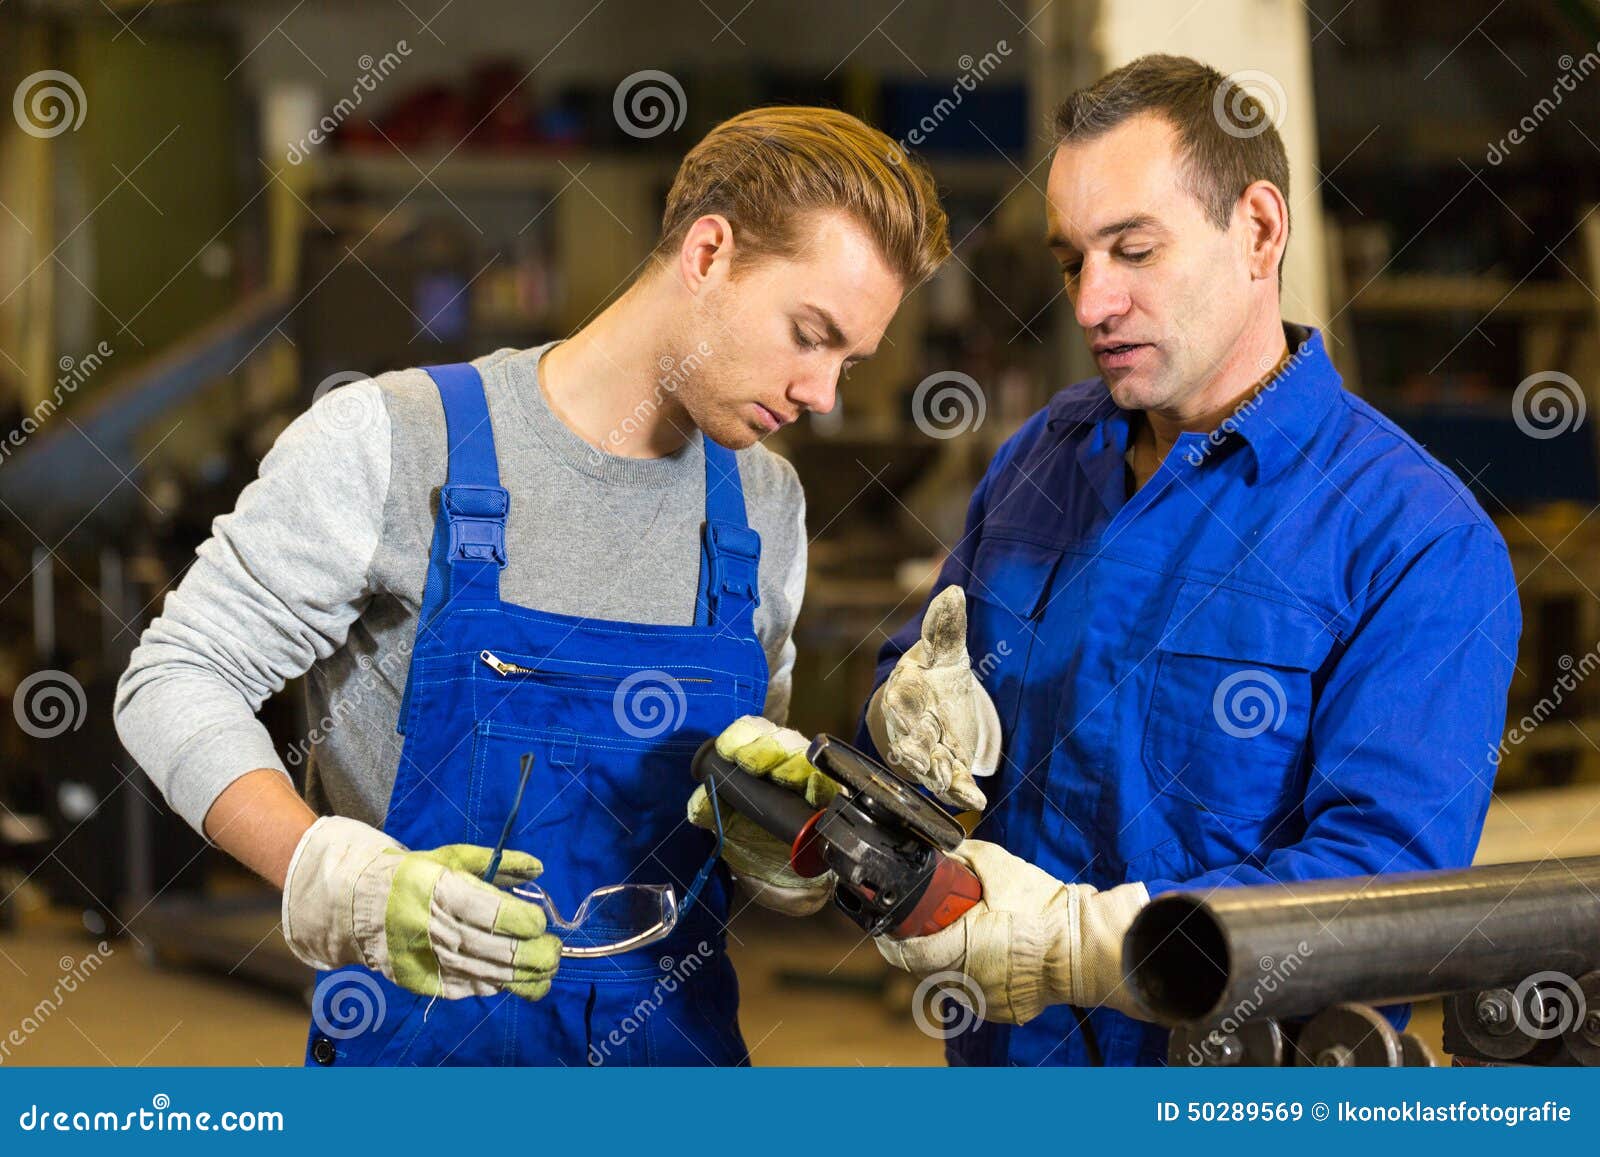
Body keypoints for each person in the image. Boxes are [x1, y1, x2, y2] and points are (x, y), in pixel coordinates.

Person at [704, 55, 1519, 1067]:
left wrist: (1086, 947)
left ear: (1258, 229)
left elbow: (1380, 899)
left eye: (1132, 250)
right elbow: (928, 691)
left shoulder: (1415, 541)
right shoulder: (1045, 457)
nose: (1091, 304)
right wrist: (894, 741)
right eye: (1070, 261)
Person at [115, 105, 949, 1067]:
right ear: (710, 252)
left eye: (850, 360)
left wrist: (785, 848)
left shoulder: (766, 504)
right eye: (811, 334)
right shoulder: (393, 440)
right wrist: (327, 870)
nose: (824, 394)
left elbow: (736, 799)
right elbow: (176, 676)